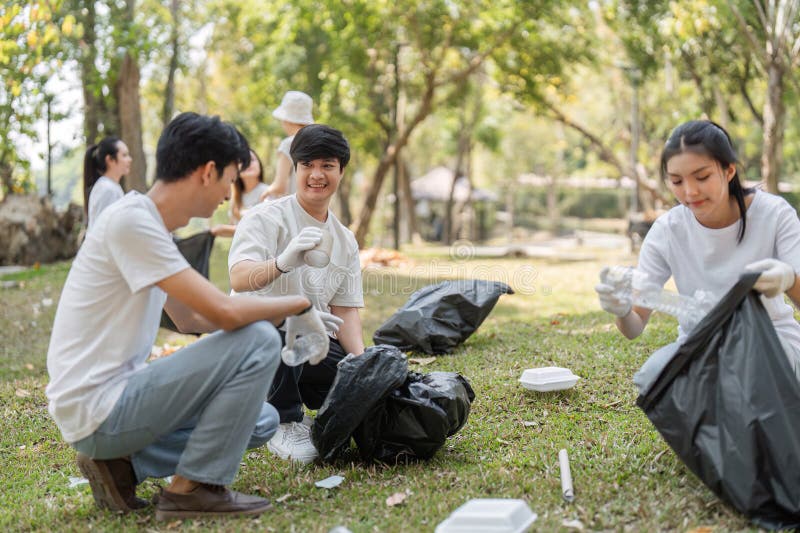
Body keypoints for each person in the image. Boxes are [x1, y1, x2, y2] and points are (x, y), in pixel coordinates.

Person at [46, 112, 330, 520]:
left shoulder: (149, 226)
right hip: (96, 407)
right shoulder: (132, 221)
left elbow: (192, 320)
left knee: (261, 420)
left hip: (114, 402)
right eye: (229, 179)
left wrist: (276, 315)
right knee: (260, 341)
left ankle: (122, 465)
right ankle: (190, 491)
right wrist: (296, 306)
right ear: (207, 172)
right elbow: (225, 311)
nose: (225, 195)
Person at [596, 120, 800, 386]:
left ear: (729, 170)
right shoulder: (668, 230)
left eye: (702, 177)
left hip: (770, 342)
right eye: (677, 181)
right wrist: (621, 310)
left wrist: (789, 279)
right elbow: (635, 327)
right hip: (701, 348)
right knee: (653, 376)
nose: (690, 192)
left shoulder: (774, 214)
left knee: (741, 371)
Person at [229, 124, 365, 464]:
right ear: (295, 169)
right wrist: (281, 263)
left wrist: (362, 366)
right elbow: (239, 277)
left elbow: (345, 310)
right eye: (307, 165)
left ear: (341, 171)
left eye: (327, 165)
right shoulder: (264, 218)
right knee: (285, 327)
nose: (316, 175)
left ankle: (297, 409)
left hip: (308, 345)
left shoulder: (344, 239)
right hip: (255, 341)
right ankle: (283, 420)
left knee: (356, 383)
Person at [260, 90, 314, 200]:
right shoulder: (316, 141)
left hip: (292, 209)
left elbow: (280, 187)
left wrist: (265, 193)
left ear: (287, 120)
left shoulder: (289, 143)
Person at [210, 149, 268, 238]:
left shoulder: (267, 192)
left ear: (259, 164)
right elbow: (237, 233)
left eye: (252, 160)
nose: (248, 164)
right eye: (243, 161)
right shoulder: (235, 198)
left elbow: (262, 228)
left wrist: (223, 229)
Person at [83, 136, 132, 229]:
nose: (130, 159)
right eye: (124, 155)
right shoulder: (107, 189)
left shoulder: (110, 186)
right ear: (110, 160)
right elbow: (102, 230)